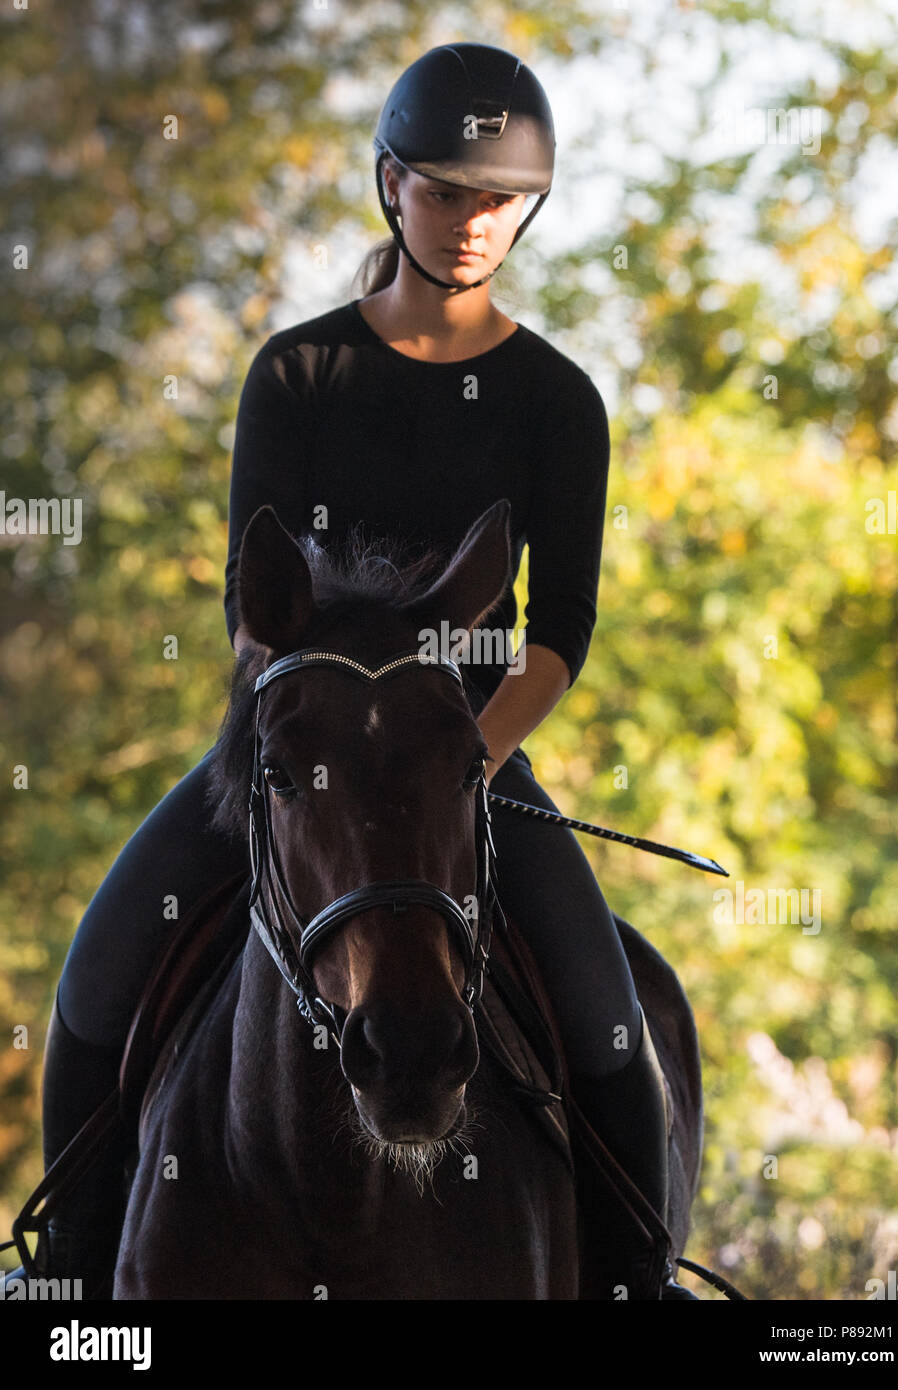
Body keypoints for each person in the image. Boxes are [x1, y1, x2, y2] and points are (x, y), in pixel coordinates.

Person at [24, 42, 696, 1300]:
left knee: (614, 1025)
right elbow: (253, 601)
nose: (473, 221)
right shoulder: (297, 370)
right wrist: (327, 750)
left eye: (499, 198)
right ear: (390, 186)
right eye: (445, 191)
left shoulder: (559, 400)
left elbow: (559, 635)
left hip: (467, 754)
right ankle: (63, 1281)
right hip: (298, 761)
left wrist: (465, 762)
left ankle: (633, 1291)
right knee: (99, 973)